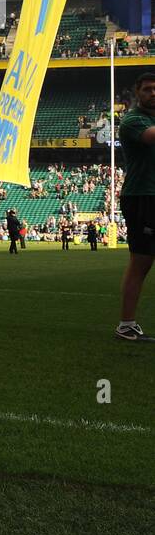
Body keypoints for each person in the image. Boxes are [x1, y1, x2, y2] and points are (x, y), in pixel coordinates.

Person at [116, 72, 155, 341]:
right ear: (137, 92)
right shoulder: (133, 120)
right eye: (148, 89)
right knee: (141, 262)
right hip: (143, 197)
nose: (153, 93)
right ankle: (126, 325)